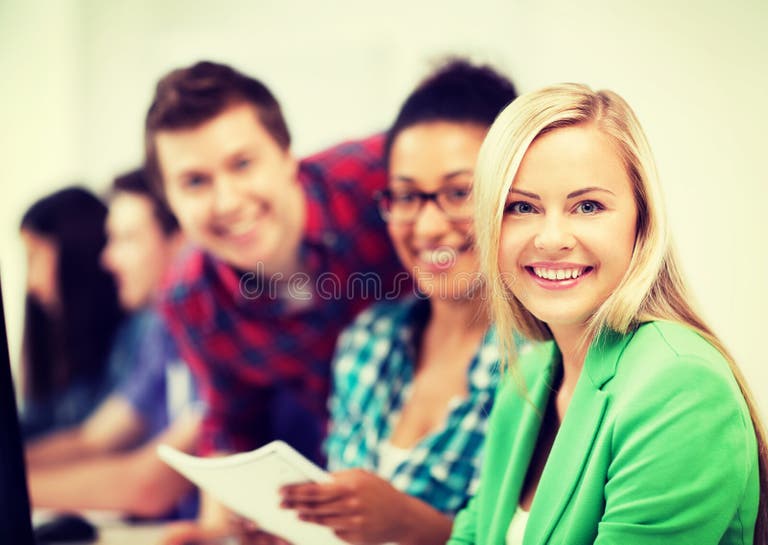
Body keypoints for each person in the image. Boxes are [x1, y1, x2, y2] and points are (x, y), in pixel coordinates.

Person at [447, 83, 767, 544]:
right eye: (521, 207)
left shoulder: (681, 387)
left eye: (588, 206)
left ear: (642, 221)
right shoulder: (529, 371)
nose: (551, 238)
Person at [143, 61, 405, 542]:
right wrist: (216, 531)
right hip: (349, 484)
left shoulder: (378, 174)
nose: (227, 201)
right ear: (169, 201)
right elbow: (230, 423)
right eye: (195, 182)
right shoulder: (189, 299)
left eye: (242, 164)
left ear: (287, 157)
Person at [275, 59, 519, 545]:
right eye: (406, 197)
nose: (427, 227)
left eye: (459, 192)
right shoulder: (368, 340)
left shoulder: (543, 363)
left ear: (514, 192)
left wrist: (410, 525)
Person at [24, 169, 201, 519]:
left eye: (128, 239)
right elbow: (96, 437)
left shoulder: (222, 333)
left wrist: (14, 489)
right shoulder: (162, 331)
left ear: (181, 241)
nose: (108, 259)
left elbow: (150, 484)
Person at [19, 187, 125, 440]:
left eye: (35, 257)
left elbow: (99, 441)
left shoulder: (135, 336)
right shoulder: (61, 345)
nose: (31, 283)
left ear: (76, 253)